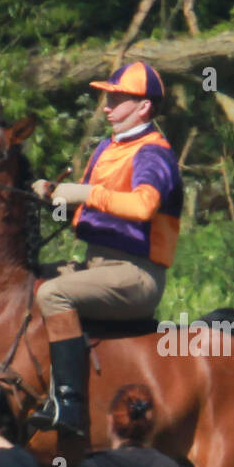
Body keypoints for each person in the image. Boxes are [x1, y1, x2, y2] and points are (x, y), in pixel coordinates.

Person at [28, 61, 183, 437]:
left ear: (143, 107)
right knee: (25, 282)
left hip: (136, 275)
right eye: (108, 97)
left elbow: (142, 206)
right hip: (97, 265)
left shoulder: (153, 153)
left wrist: (84, 193)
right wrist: (51, 198)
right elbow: (89, 213)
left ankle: (69, 405)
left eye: (117, 99)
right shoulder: (106, 148)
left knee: (53, 293)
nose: (107, 106)